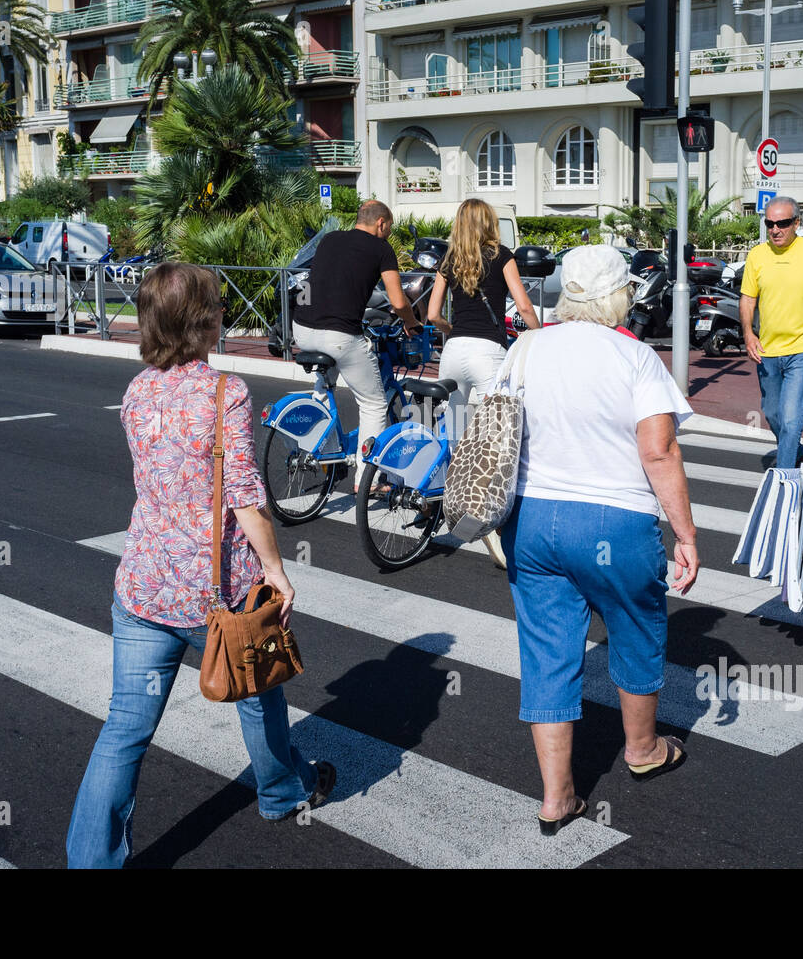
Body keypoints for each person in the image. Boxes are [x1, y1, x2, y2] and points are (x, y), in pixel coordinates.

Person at [67, 263, 334, 868]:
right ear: (204, 322)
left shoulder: (138, 391)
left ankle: (90, 861)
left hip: (142, 585)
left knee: (124, 730)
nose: (222, 314)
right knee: (258, 694)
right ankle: (281, 791)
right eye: (216, 307)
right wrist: (277, 570)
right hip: (218, 593)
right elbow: (243, 492)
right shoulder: (225, 391)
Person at [497, 246, 700, 834]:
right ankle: (641, 750)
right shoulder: (636, 358)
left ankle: (557, 796)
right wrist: (684, 535)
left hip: (533, 520)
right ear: (621, 294)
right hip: (614, 522)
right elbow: (659, 451)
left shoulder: (527, 347)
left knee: (547, 649)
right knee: (635, 627)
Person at [427, 199, 540, 567]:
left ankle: (453, 507)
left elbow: (431, 314)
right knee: (496, 441)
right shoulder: (502, 255)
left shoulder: (449, 259)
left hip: (453, 352)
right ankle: (491, 523)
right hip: (488, 353)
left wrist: (451, 330)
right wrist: (540, 339)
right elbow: (523, 306)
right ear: (490, 222)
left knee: (458, 439)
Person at [294, 200, 422, 490]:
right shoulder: (381, 249)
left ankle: (321, 452)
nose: (389, 232)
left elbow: (324, 282)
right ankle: (369, 479)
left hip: (302, 328)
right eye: (389, 227)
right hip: (337, 336)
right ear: (381, 223)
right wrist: (411, 322)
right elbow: (399, 301)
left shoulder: (330, 239)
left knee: (324, 387)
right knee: (373, 403)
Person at [739, 196, 803, 468]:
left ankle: (784, 477)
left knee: (790, 417)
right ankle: (795, 450)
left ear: (797, 223)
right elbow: (748, 299)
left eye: (783, 223)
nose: (775, 229)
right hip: (767, 350)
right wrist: (748, 334)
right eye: (770, 223)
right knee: (772, 413)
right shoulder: (757, 255)